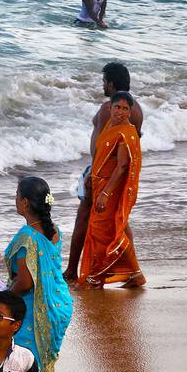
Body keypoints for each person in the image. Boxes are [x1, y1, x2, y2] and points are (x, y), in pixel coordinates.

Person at [7, 176, 73, 372]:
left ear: (24, 202)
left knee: (24, 365)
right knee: (44, 365)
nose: (15, 199)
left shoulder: (27, 236)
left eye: (16, 195)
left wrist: (3, 296)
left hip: (35, 311)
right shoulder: (53, 230)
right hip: (58, 306)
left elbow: (25, 282)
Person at [65, 62, 144, 282]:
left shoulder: (107, 108)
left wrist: (92, 175)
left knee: (84, 217)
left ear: (110, 83)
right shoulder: (136, 109)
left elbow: (102, 145)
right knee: (119, 217)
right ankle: (133, 270)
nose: (102, 85)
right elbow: (132, 144)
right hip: (122, 172)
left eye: (103, 81)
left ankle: (72, 270)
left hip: (102, 171)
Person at [79, 92, 144, 287]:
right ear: (111, 107)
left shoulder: (126, 133)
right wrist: (91, 175)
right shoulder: (110, 125)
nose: (121, 112)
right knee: (106, 229)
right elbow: (102, 155)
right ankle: (135, 274)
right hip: (100, 184)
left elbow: (122, 166)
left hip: (111, 189)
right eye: (118, 107)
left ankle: (96, 276)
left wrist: (106, 194)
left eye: (125, 109)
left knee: (102, 231)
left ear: (130, 111)